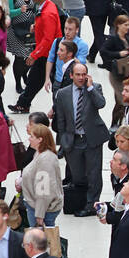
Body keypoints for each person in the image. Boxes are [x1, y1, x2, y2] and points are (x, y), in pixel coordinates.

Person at [53, 62, 108, 217]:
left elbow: (101, 104)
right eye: (77, 74)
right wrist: (63, 140)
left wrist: (90, 88)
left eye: (83, 74)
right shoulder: (63, 94)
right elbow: (61, 120)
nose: (81, 77)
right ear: (71, 75)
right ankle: (81, 201)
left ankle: (91, 205)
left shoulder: (95, 88)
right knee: (78, 175)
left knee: (94, 174)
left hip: (92, 138)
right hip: (73, 139)